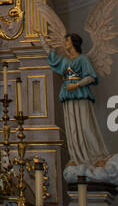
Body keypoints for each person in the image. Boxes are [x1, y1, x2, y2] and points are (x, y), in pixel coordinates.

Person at [41, 32, 110, 167]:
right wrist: (42, 39)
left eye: (67, 41)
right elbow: (51, 55)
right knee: (71, 127)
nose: (65, 43)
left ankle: (96, 156)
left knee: (86, 125)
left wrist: (77, 85)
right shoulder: (65, 61)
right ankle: (76, 157)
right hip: (68, 94)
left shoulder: (83, 59)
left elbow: (91, 76)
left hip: (80, 92)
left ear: (74, 42)